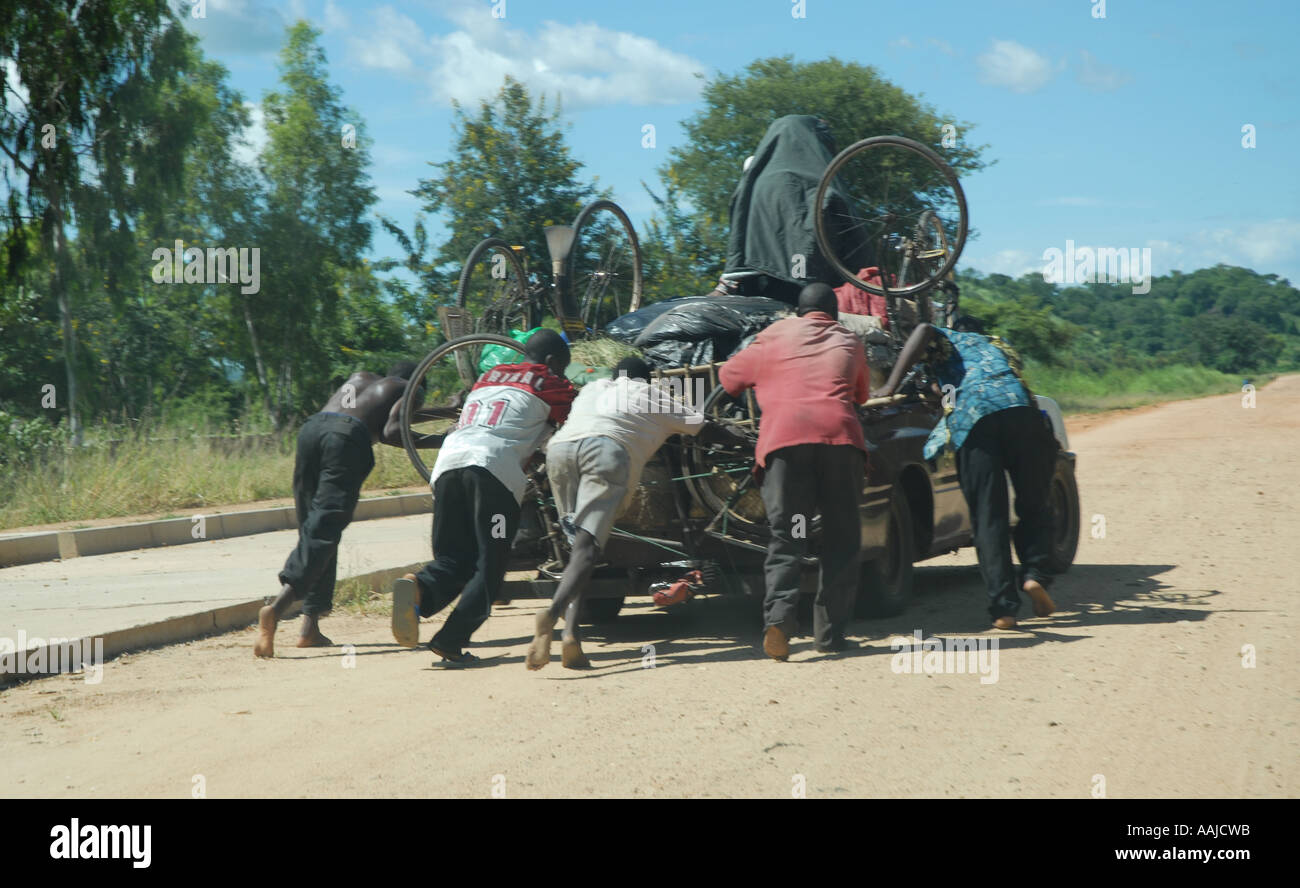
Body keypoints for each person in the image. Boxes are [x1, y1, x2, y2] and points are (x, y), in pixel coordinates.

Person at [389, 329, 576, 667]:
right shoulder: (553, 383)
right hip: (493, 473)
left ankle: (417, 587)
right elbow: (572, 422)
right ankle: (450, 640)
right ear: (551, 363)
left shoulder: (488, 377)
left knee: (453, 557)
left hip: (448, 465)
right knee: (491, 564)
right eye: (561, 367)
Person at [719, 282, 871, 660]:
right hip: (839, 443)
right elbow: (861, 395)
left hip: (786, 448)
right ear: (834, 314)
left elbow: (728, 382)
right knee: (840, 540)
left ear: (797, 312)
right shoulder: (851, 341)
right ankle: (830, 635)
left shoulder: (772, 336)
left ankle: (780, 620)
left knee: (790, 533)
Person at [873, 317, 1057, 629]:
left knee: (988, 515)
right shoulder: (998, 344)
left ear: (957, 330)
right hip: (1023, 414)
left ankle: (1004, 609)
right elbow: (957, 387)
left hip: (977, 420)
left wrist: (890, 384)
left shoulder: (952, 338)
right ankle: (1034, 576)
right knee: (1035, 505)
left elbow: (923, 329)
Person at [525, 356, 706, 670]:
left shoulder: (593, 388)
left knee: (579, 549)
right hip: (605, 452)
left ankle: (571, 637)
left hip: (560, 451)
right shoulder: (650, 393)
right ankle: (552, 614)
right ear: (645, 378)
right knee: (587, 547)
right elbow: (701, 426)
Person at [255, 363, 431, 658]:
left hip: (313, 430)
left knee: (316, 528)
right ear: (419, 381)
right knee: (325, 526)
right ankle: (275, 609)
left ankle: (309, 627)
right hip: (346, 441)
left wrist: (446, 411)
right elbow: (391, 431)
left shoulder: (363, 379)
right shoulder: (413, 389)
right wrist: (443, 439)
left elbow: (394, 416)